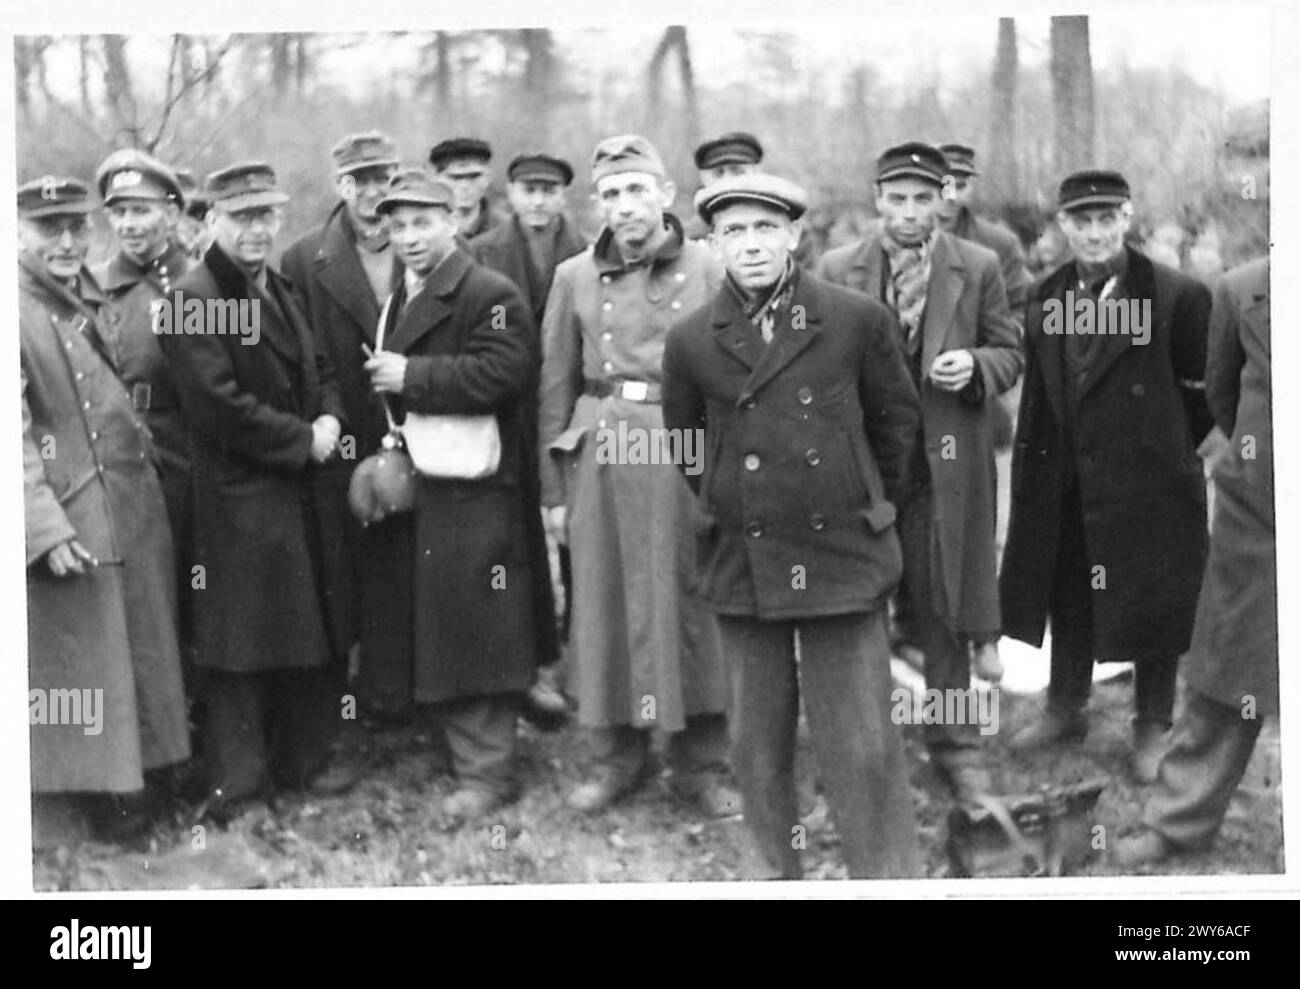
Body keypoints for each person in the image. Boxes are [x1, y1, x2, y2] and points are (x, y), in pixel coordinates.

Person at [663, 173, 923, 877]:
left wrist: (868, 502)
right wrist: (725, 496)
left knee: (863, 739)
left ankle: (887, 875)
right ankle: (775, 871)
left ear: (793, 236)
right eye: (734, 232)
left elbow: (898, 426)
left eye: (764, 229)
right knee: (756, 740)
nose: (750, 245)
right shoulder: (691, 340)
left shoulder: (855, 318)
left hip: (842, 551)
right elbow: (686, 442)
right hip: (744, 558)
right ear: (713, 244)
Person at [538, 135, 737, 816]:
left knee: (692, 597)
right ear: (598, 204)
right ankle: (614, 755)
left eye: (636, 190)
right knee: (605, 600)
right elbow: (553, 386)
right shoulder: (573, 277)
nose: (625, 207)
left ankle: (700, 761)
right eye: (612, 194)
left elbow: (737, 375)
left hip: (685, 449)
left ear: (666, 195)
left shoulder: (712, 267)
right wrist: (554, 491)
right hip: (604, 449)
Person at [816, 142, 1022, 799]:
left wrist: (977, 369)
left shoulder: (978, 264)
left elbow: (1010, 349)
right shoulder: (837, 267)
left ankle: (957, 746)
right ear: (877, 199)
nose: (909, 213)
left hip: (945, 467)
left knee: (944, 606)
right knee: (858, 607)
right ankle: (862, 745)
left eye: (922, 199)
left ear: (944, 199)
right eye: (896, 199)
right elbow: (814, 363)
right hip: (866, 469)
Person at [999, 170, 1214, 782]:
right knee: (1069, 588)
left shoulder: (1176, 296)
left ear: (1127, 218)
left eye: (1106, 219)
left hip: (1150, 482)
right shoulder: (1046, 296)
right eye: (1080, 221)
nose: (1094, 233)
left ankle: (1153, 724)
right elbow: (1045, 388)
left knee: (1154, 594)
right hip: (1067, 478)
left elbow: (1202, 396)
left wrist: (1169, 457)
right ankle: (1066, 707)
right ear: (1062, 225)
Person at [359, 168, 554, 823]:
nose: (409, 236)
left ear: (454, 222)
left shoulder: (487, 290)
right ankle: (461, 749)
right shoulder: (400, 296)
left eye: (422, 222)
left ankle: (488, 770)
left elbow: (505, 373)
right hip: (433, 479)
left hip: (478, 483)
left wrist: (411, 373)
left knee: (477, 622)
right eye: (398, 224)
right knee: (442, 618)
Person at [160, 161, 354, 819]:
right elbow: (217, 404)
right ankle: (239, 789)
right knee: (240, 647)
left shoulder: (279, 285)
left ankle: (300, 763)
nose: (256, 229)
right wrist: (304, 440)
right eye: (241, 217)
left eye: (266, 215)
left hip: (292, 491)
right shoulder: (194, 298)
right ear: (211, 220)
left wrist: (329, 414)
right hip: (238, 498)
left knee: (301, 629)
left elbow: (321, 365)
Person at [21, 176, 189, 844]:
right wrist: (40, 522)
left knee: (139, 647)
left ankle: (144, 776)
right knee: (85, 665)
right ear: (18, 234)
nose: (66, 242)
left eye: (75, 228)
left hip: (127, 501)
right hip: (72, 512)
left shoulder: (78, 295)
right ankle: (99, 796)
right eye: (47, 230)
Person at [1115, 256, 1275, 865]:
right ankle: (1178, 820)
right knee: (1224, 668)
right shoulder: (1241, 288)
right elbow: (1222, 394)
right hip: (1258, 512)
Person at [281, 130, 402, 717]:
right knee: (347, 573)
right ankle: (351, 708)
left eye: (383, 177)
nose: (373, 192)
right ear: (340, 186)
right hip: (343, 436)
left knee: (407, 569)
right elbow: (296, 354)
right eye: (360, 180)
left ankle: (403, 699)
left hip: (416, 434)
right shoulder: (305, 259)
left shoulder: (421, 241)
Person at [470, 151, 588, 719]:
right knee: (513, 538)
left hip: (572, 411)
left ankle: (582, 663)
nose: (538, 200)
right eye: (527, 189)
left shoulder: (591, 249)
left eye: (549, 189)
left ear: (564, 196)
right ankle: (526, 664)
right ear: (510, 194)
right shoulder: (483, 252)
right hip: (506, 413)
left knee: (575, 533)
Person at [91, 150, 195, 571]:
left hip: (184, 453)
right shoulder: (89, 287)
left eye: (140, 210)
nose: (128, 224)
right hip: (115, 457)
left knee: (192, 575)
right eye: (118, 212)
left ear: (171, 215)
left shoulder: (200, 284)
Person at [428, 137, 507, 240]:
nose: (465, 186)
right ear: (436, 179)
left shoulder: (508, 230)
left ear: (488, 177)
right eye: (455, 178)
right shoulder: (422, 230)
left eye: (474, 176)